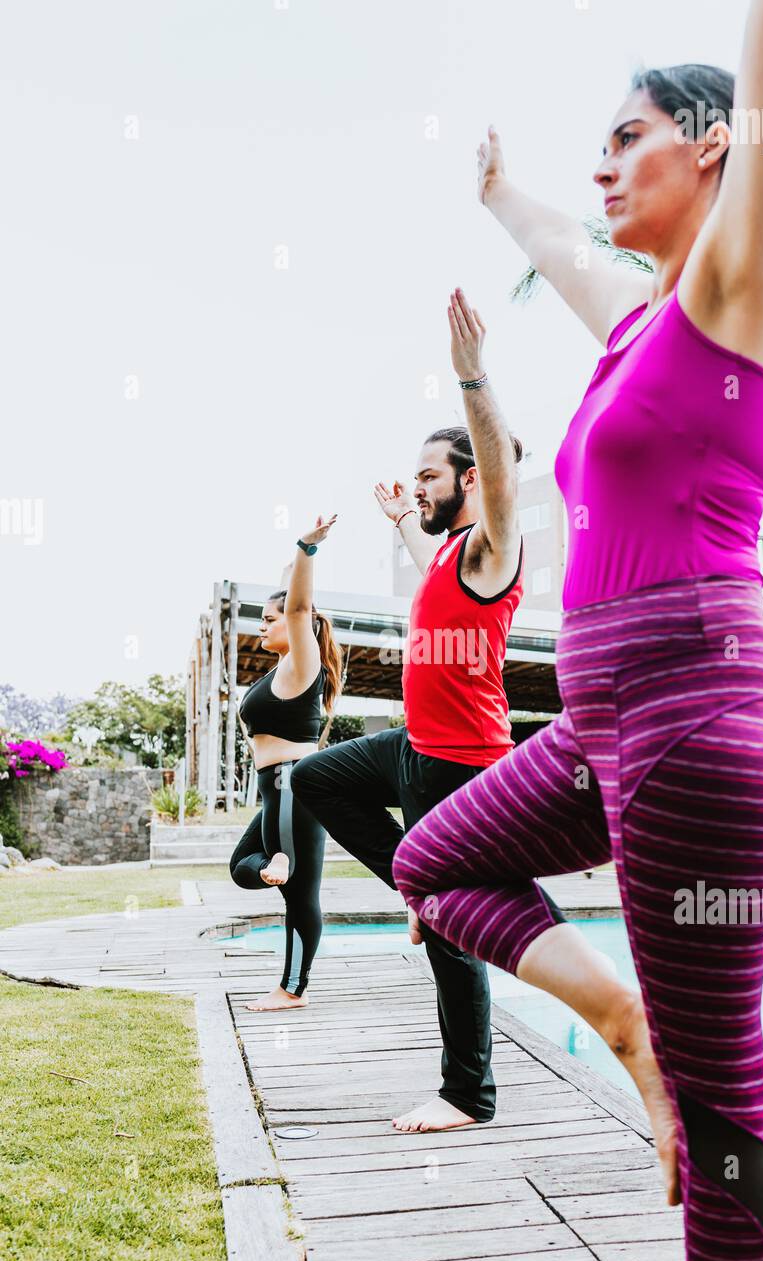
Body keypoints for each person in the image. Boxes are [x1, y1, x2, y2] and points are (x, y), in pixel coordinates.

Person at [393, 1, 763, 1261]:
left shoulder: (741, 283)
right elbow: (565, 246)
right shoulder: (643, 332)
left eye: (623, 137)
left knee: (720, 1092)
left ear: (707, 147)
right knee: (432, 862)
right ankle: (621, 1019)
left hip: (696, 714)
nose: (601, 166)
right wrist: (500, 194)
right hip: (603, 728)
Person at [291, 287, 524, 1133]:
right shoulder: (444, 556)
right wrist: (402, 523)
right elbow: (430, 550)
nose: (417, 483)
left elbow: (500, 480)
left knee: (458, 941)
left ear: (470, 480)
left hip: (462, 760)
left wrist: (473, 379)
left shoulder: (496, 546)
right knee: (317, 779)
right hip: (413, 746)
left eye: (430, 475)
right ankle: (421, 892)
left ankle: (468, 1094)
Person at [230, 515, 342, 1012]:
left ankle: (291, 991)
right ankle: (277, 863)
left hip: (294, 785)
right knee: (240, 868)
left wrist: (307, 548)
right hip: (276, 789)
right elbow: (289, 593)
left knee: (299, 898)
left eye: (269, 618)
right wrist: (293, 559)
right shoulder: (281, 671)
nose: (263, 623)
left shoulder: (303, 662)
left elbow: (296, 603)